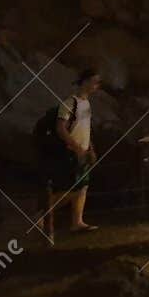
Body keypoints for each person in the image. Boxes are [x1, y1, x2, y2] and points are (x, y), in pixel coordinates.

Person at [43, 70, 100, 233]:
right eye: (95, 82)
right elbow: (60, 128)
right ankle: (41, 215)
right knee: (69, 188)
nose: (97, 86)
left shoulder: (86, 103)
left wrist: (90, 149)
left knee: (82, 187)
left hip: (82, 151)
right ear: (85, 82)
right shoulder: (70, 103)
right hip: (71, 152)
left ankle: (77, 221)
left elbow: (86, 129)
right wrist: (76, 147)